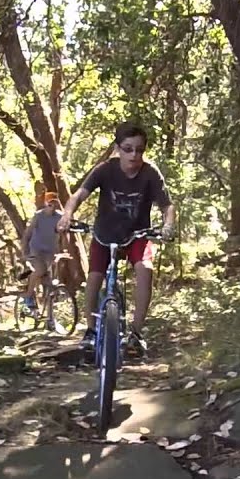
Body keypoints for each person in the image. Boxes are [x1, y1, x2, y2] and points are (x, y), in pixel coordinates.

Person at [57, 122, 176, 353]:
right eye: (128, 149)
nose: (134, 155)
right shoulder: (105, 169)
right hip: (104, 234)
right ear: (118, 148)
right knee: (94, 277)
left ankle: (136, 332)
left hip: (136, 235)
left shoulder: (150, 173)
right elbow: (79, 195)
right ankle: (91, 330)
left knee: (145, 270)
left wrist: (168, 224)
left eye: (139, 150)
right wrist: (67, 216)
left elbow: (167, 206)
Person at [21, 193, 63, 314]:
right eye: (50, 203)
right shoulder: (38, 216)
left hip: (50, 252)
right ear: (45, 203)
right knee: (40, 270)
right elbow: (27, 234)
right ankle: (28, 296)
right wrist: (24, 251)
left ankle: (50, 318)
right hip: (36, 250)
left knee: (49, 285)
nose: (52, 206)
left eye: (55, 203)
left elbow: (63, 234)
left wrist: (61, 251)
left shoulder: (59, 217)